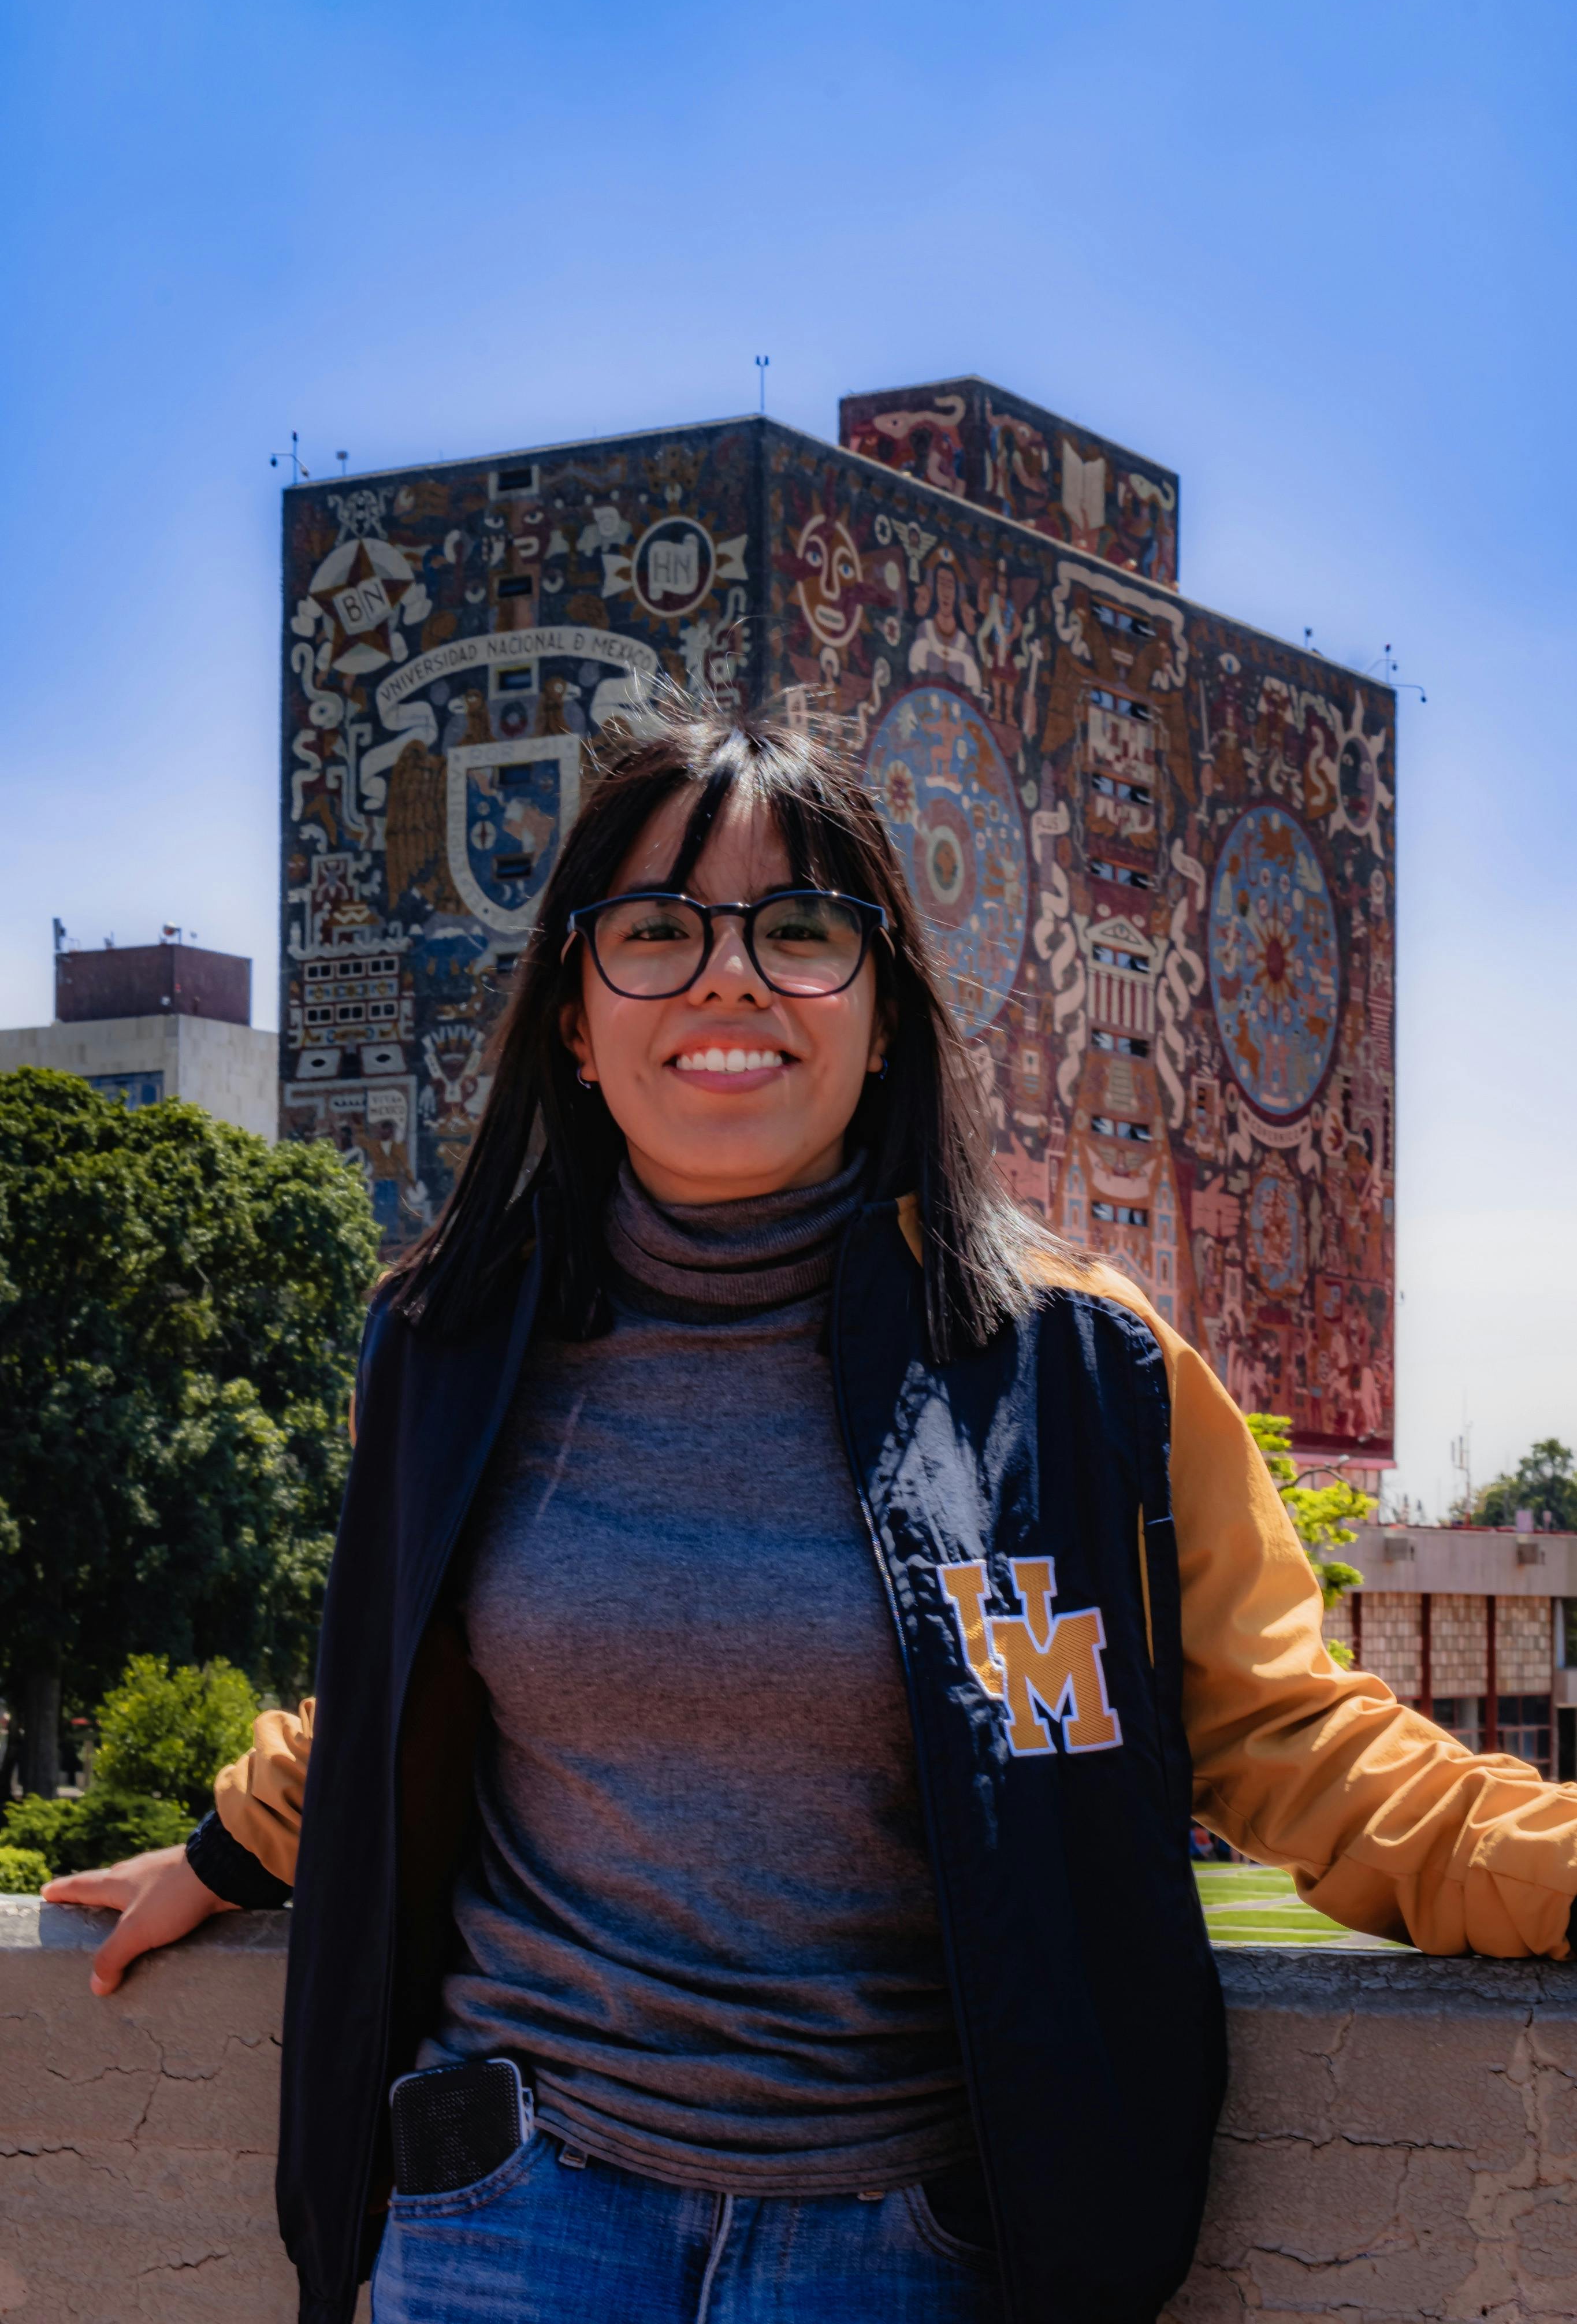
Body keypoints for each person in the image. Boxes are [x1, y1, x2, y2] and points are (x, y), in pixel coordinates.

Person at [47, 690, 1577, 2324]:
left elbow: (1284, 1735)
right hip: (514, 2210)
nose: (726, 975)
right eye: (652, 927)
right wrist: (223, 1845)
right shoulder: (445, 1346)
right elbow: (401, 1687)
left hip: (900, 2243)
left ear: (882, 1009)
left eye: (797, 928)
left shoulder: (1070, 1370)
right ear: (573, 1010)